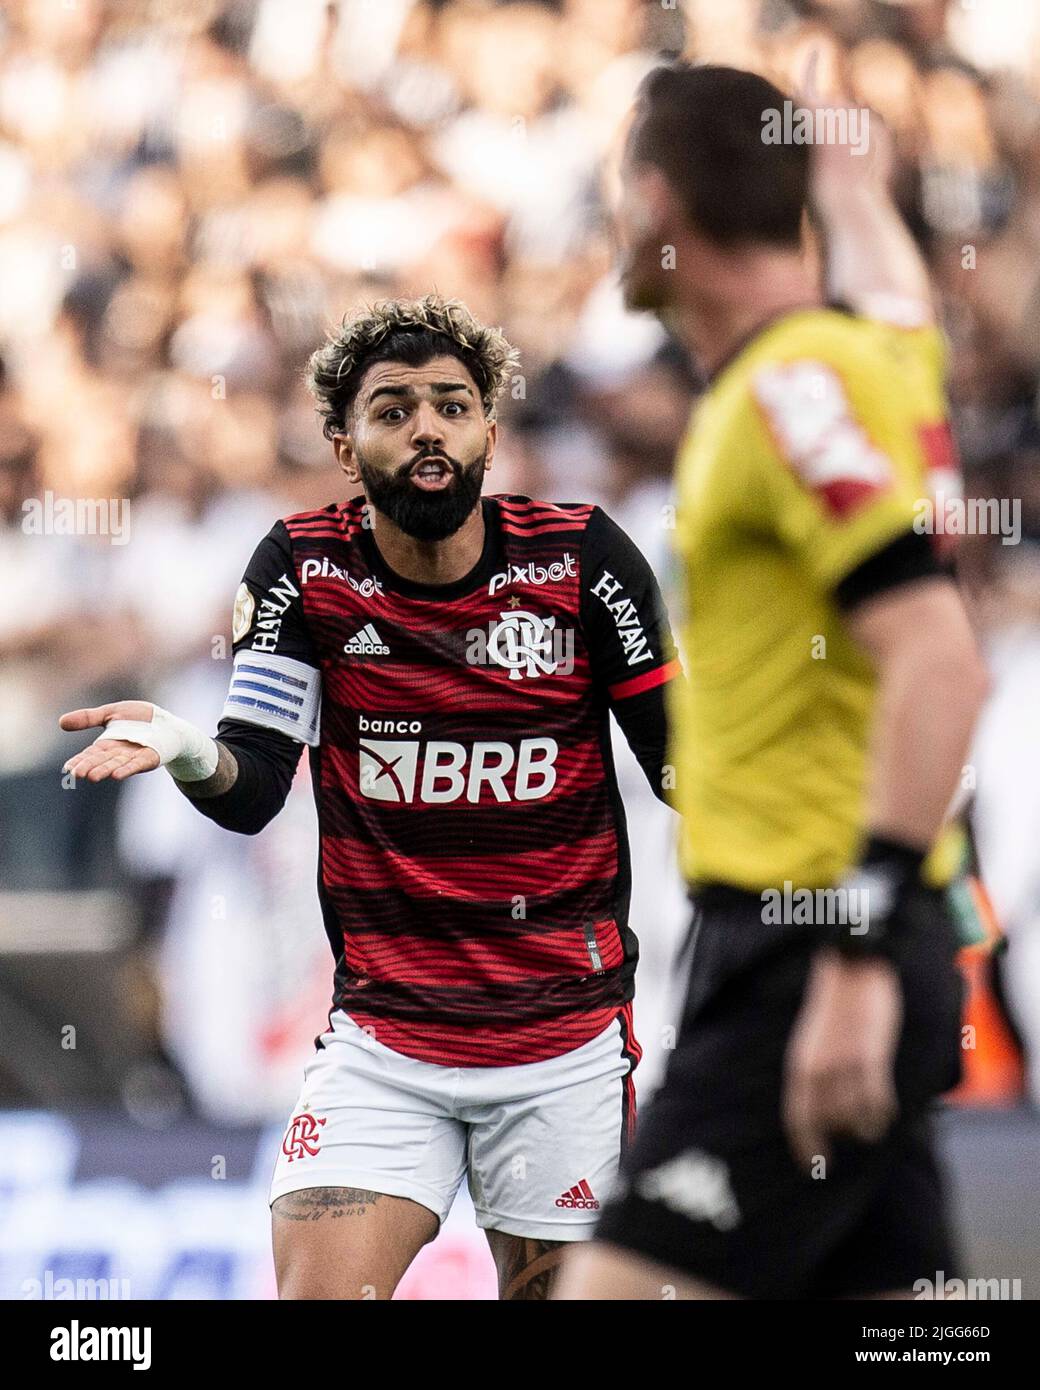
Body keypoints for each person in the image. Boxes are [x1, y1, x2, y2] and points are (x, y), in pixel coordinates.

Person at [60, 293, 681, 1300]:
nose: (425, 426)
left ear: (489, 429)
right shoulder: (302, 570)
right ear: (345, 447)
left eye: (451, 404)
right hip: (386, 1044)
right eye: (392, 410)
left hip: (561, 1043)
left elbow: (679, 767)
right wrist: (183, 747)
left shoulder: (582, 560)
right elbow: (252, 782)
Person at [557, 64, 990, 1300]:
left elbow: (940, 665)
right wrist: (845, 193)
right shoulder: (855, 361)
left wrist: (849, 959)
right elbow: (900, 302)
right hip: (842, 939)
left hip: (812, 942)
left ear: (652, 204)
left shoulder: (784, 391)